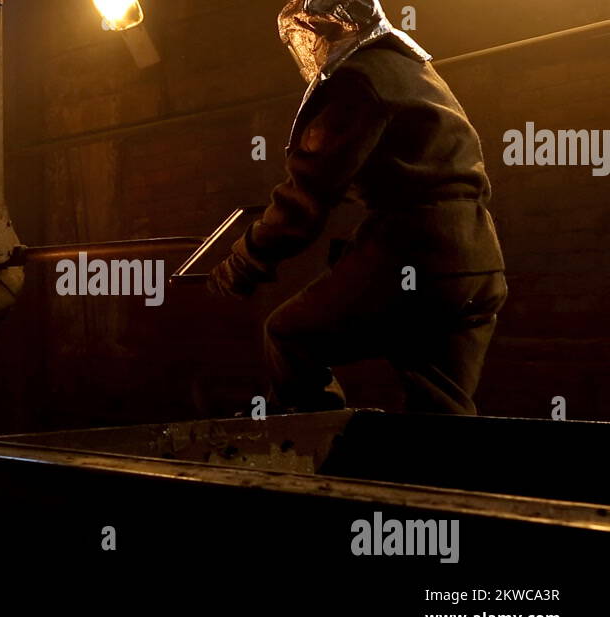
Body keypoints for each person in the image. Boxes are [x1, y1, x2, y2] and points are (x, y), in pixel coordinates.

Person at [208, 0, 507, 415]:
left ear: (325, 29)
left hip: (414, 254)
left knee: (290, 336)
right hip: (477, 263)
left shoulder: (358, 80)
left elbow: (307, 195)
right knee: (442, 409)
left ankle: (318, 444)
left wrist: (244, 261)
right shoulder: (416, 70)